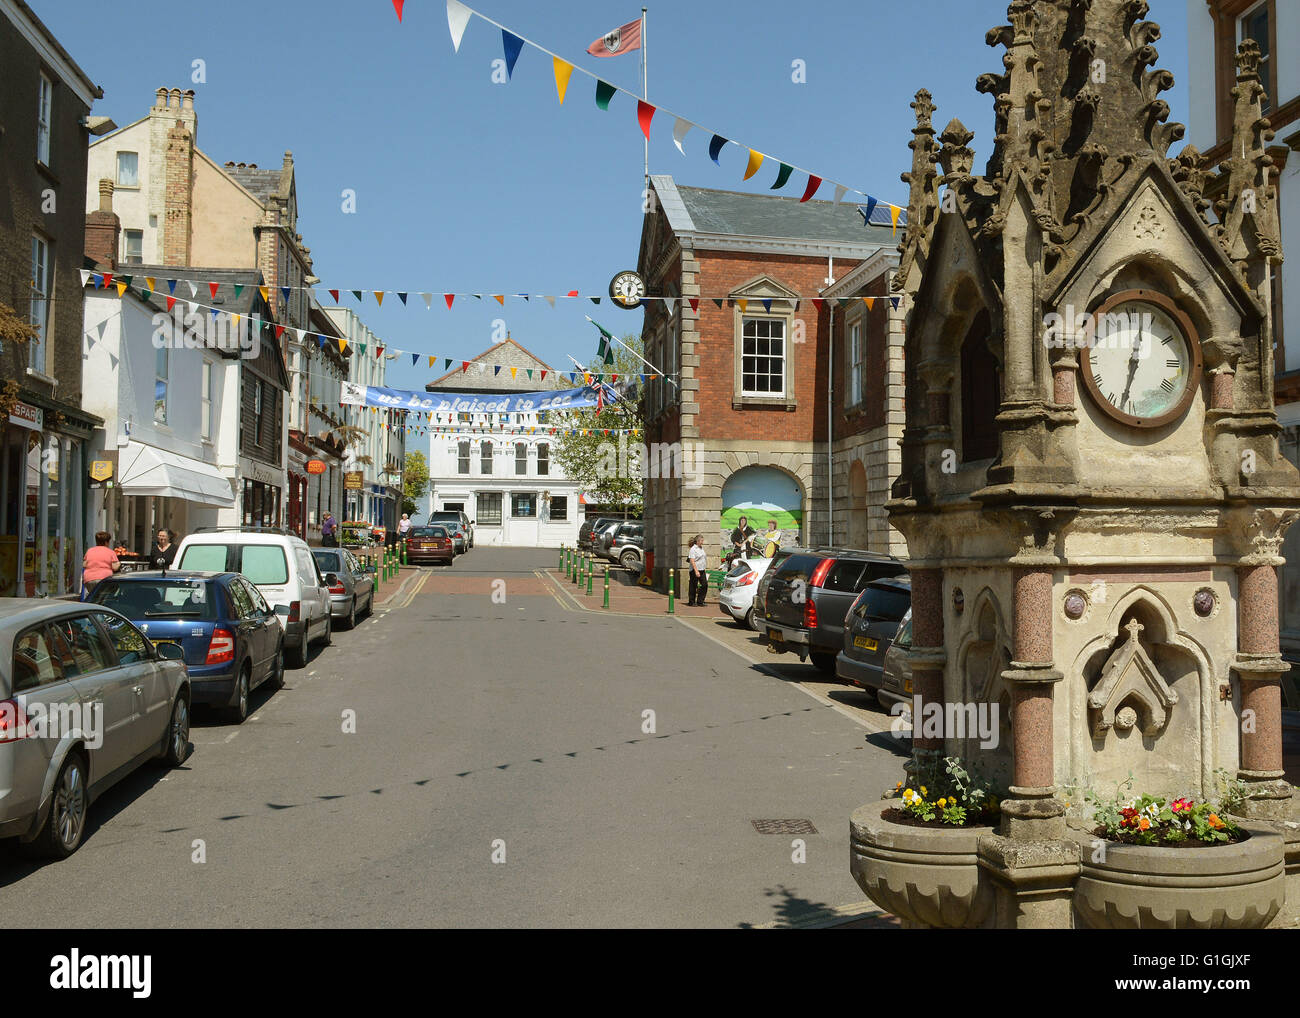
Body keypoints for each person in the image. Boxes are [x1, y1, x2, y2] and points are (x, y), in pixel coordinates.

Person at [82, 531, 120, 599]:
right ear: (106, 542)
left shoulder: (90, 550)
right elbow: (115, 567)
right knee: (105, 598)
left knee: (93, 597)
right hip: (104, 579)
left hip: (89, 579)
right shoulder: (110, 552)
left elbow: (84, 564)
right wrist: (119, 564)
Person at [687, 534, 708, 607]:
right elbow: (692, 561)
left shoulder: (701, 548)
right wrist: (696, 571)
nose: (703, 542)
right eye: (702, 540)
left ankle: (700, 601)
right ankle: (691, 601)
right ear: (698, 541)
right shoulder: (693, 549)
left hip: (702, 569)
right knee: (693, 585)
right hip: (694, 570)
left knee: (704, 584)